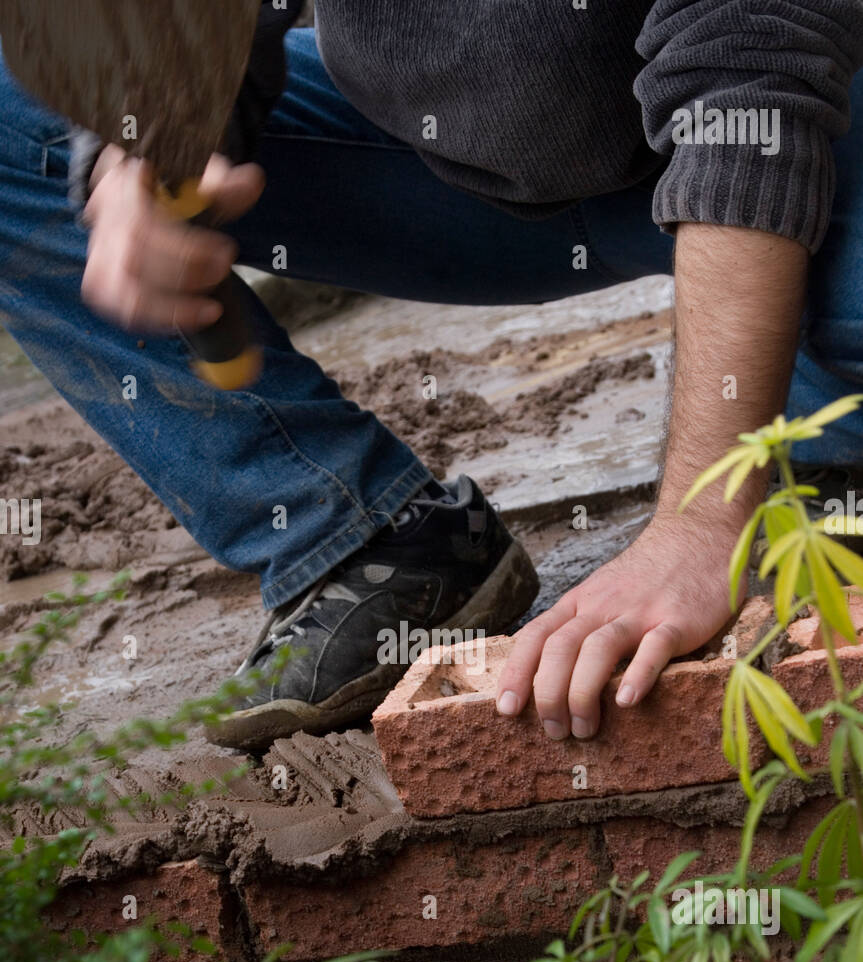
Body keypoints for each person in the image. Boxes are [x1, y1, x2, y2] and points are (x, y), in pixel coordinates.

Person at [1, 1, 861, 752]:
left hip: (813, 148)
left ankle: (820, 451)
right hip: (473, 174)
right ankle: (361, 542)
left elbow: (753, 81)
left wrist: (699, 524)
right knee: (20, 125)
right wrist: (147, 140)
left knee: (817, 481)